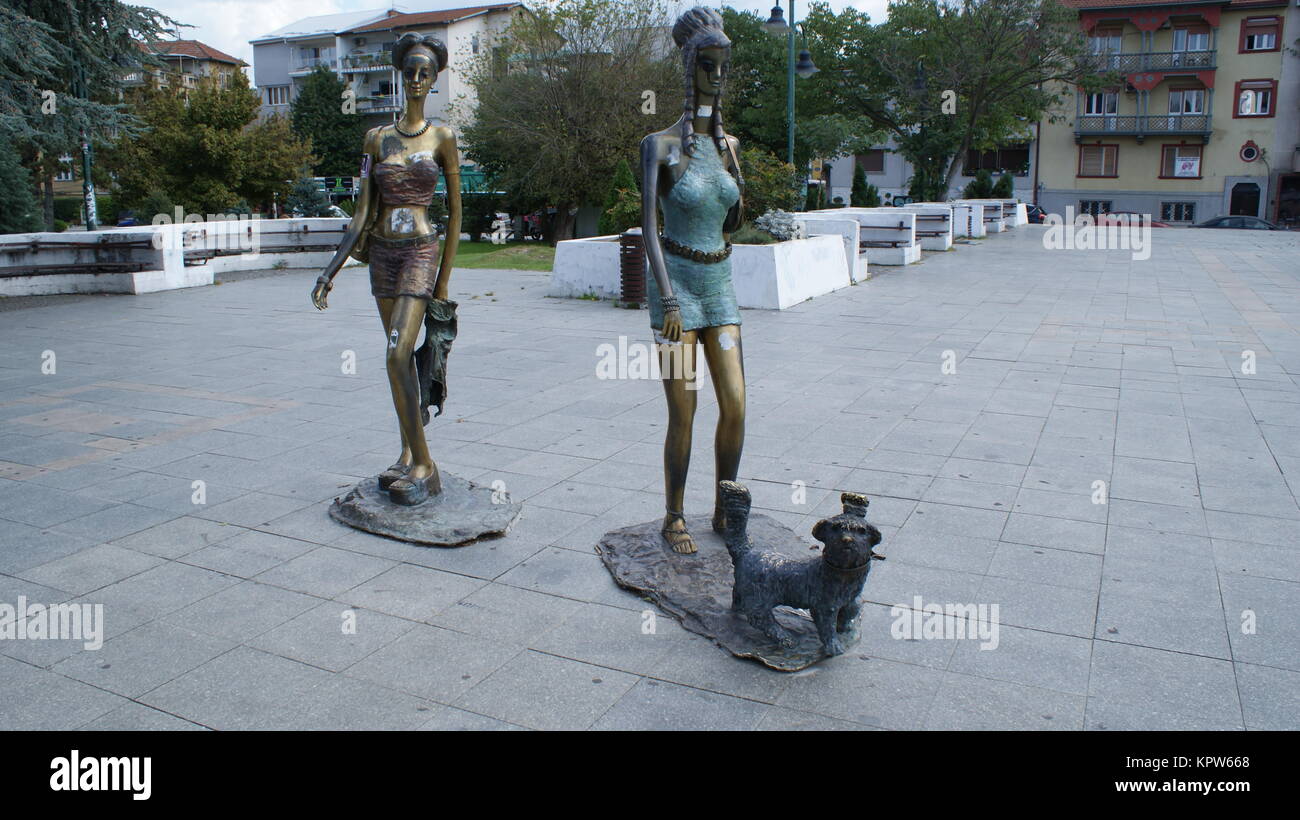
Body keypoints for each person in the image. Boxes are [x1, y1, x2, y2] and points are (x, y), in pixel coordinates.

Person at [310, 32, 462, 506]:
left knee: (398, 356)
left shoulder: (442, 137)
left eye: (425, 73)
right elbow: (360, 214)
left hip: (420, 251)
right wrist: (328, 270)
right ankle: (406, 452)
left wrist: (442, 283)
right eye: (410, 71)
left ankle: (425, 466)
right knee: (401, 364)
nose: (416, 80)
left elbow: (455, 213)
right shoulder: (376, 138)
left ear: (435, 79)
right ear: (401, 76)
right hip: (382, 255)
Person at [639, 7, 746, 554]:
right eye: (708, 65)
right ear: (688, 68)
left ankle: (725, 506)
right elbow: (648, 229)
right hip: (676, 291)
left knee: (736, 403)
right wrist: (668, 296)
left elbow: (732, 221)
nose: (717, 77)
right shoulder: (660, 145)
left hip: (720, 286)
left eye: (723, 67)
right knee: (684, 409)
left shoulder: (727, 148)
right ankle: (674, 514)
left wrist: (739, 190)